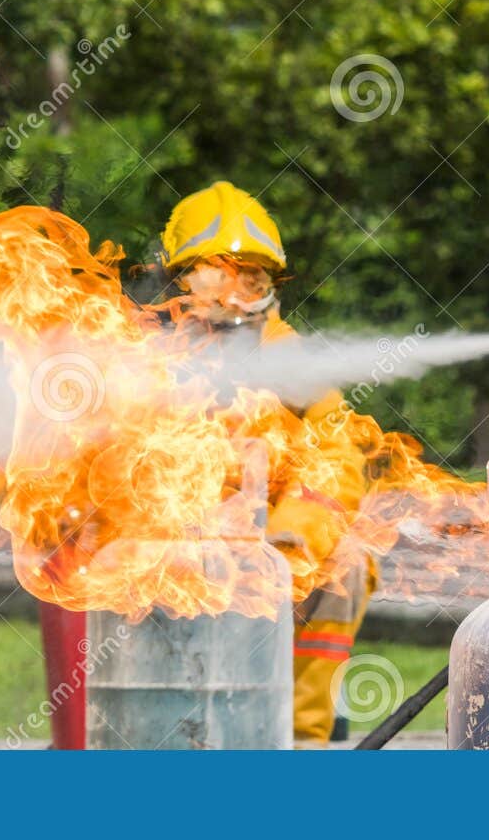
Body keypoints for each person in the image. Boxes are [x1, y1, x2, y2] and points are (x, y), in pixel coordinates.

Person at [160, 180, 374, 745]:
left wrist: (295, 531)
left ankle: (299, 740)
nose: (237, 292)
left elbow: (337, 456)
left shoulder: (293, 361)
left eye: (252, 276)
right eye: (220, 273)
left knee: (345, 564)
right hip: (164, 547)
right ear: (179, 280)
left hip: (267, 549)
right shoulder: (140, 354)